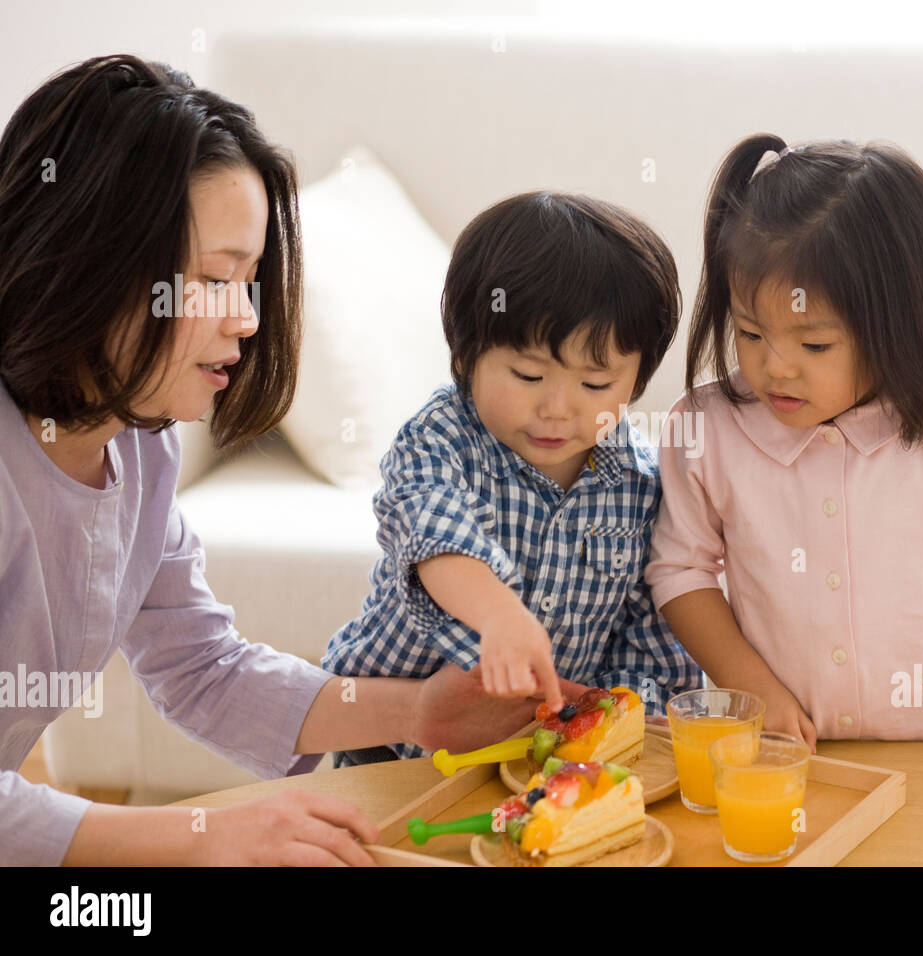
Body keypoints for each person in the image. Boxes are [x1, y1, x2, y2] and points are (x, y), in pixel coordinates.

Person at [0, 55, 538, 866]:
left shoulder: (138, 452)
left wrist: (420, 711)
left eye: (252, 282)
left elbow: (203, 668)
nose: (247, 320)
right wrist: (203, 833)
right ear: (93, 261)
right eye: (218, 279)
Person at [645, 134, 923, 787]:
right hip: (785, 756)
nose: (773, 367)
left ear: (899, 325)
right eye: (751, 333)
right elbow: (681, 571)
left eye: (814, 344)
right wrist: (750, 689)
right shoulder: (707, 427)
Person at [322, 191, 704, 766]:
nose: (558, 407)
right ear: (465, 357)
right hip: (391, 742)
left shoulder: (643, 484)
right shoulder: (439, 438)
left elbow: (649, 637)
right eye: (528, 374)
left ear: (636, 381)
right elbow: (435, 533)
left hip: (537, 749)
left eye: (595, 385)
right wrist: (499, 615)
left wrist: (620, 710)